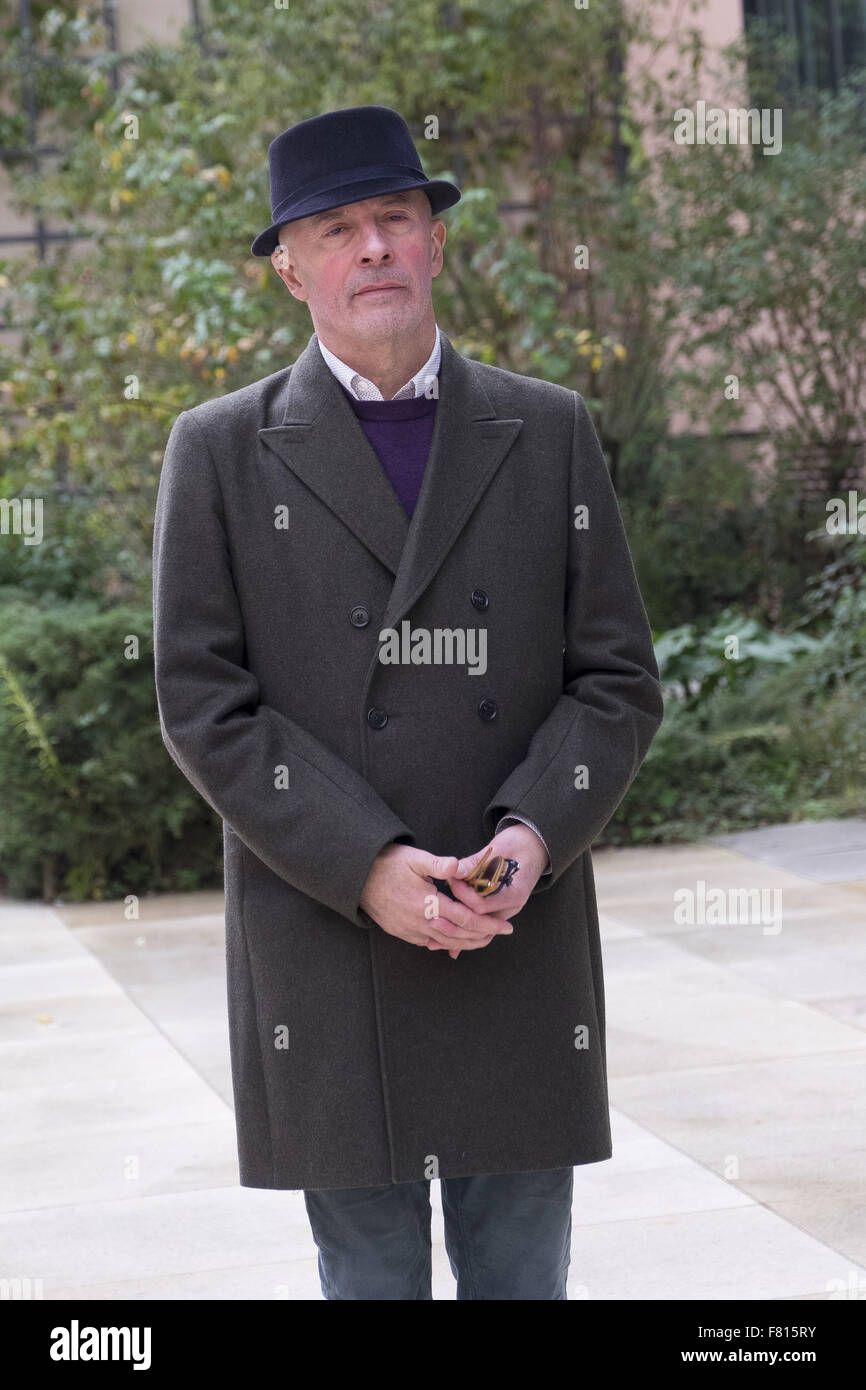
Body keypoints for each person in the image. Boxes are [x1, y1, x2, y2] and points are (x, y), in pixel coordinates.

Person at [152, 104, 664, 1300]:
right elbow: (203, 702)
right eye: (335, 229)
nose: (371, 247)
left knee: (522, 1277)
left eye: (395, 218)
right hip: (327, 935)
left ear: (436, 242)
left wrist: (532, 832)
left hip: (512, 930)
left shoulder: (546, 431)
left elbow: (615, 677)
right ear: (291, 268)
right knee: (369, 1278)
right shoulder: (218, 452)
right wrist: (371, 864)